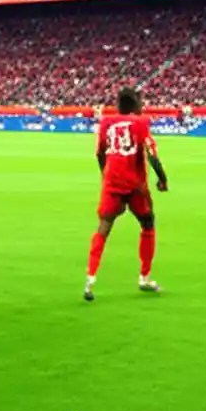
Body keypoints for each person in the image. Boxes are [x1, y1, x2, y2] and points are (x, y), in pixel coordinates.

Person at [85, 87, 168, 302]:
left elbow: (99, 153)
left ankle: (90, 279)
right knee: (148, 222)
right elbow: (151, 153)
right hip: (135, 185)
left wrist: (106, 177)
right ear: (136, 106)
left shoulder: (105, 123)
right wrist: (162, 178)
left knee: (104, 227)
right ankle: (145, 277)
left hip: (112, 183)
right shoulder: (141, 123)